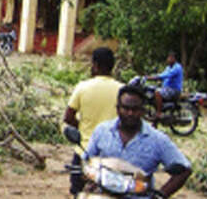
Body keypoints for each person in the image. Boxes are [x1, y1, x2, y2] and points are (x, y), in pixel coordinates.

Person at [85, 84, 192, 197]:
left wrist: (160, 195)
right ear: (117, 109)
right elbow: (86, 162)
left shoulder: (157, 139)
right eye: (126, 108)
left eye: (135, 109)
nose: (130, 113)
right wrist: (91, 180)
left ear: (143, 111)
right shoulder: (102, 131)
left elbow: (184, 169)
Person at [63, 47, 123, 195]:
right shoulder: (123, 90)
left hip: (85, 150)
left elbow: (68, 117)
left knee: (77, 191)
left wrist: (82, 127)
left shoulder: (83, 87)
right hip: (115, 153)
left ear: (95, 65)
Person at [146, 51, 184, 121]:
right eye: (168, 57)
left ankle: (159, 113)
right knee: (153, 90)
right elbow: (163, 74)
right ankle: (155, 120)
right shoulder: (168, 67)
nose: (168, 59)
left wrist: (152, 78)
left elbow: (166, 75)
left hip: (173, 90)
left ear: (174, 58)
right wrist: (154, 77)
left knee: (158, 92)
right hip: (167, 89)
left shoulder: (177, 67)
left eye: (170, 58)